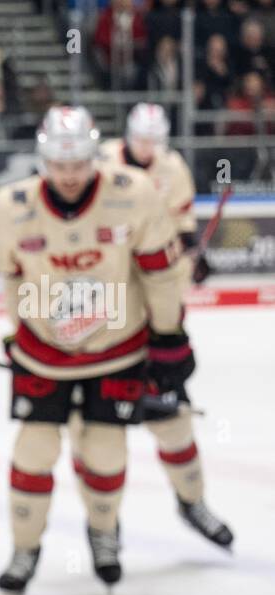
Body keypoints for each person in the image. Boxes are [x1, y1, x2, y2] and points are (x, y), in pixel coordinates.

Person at [0, 107, 189, 595]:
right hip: (42, 353)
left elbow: (160, 272)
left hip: (118, 349)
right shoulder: (11, 208)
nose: (69, 176)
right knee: (34, 450)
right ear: (43, 160)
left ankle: (104, 533)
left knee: (106, 453)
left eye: (78, 164)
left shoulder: (133, 195)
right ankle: (25, 549)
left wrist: (172, 337)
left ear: (95, 157)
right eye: (58, 165)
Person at [86, 103, 233, 548]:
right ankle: (103, 524)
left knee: (173, 420)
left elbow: (184, 230)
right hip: (105, 305)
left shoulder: (173, 168)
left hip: (154, 300)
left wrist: (194, 255)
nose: (147, 148)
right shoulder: (101, 162)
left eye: (154, 141)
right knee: (98, 434)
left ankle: (192, 501)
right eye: (141, 139)